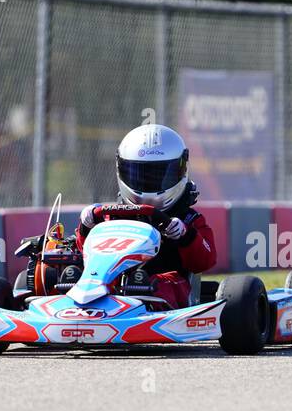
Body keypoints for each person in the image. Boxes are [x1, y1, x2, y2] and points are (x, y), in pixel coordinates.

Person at [77, 124, 217, 308]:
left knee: (151, 285)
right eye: (140, 174)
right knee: (61, 273)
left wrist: (185, 236)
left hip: (167, 284)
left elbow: (206, 260)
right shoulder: (111, 216)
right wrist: (86, 228)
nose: (149, 182)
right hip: (111, 283)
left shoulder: (189, 219)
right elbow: (85, 254)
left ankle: (139, 303)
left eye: (160, 175)